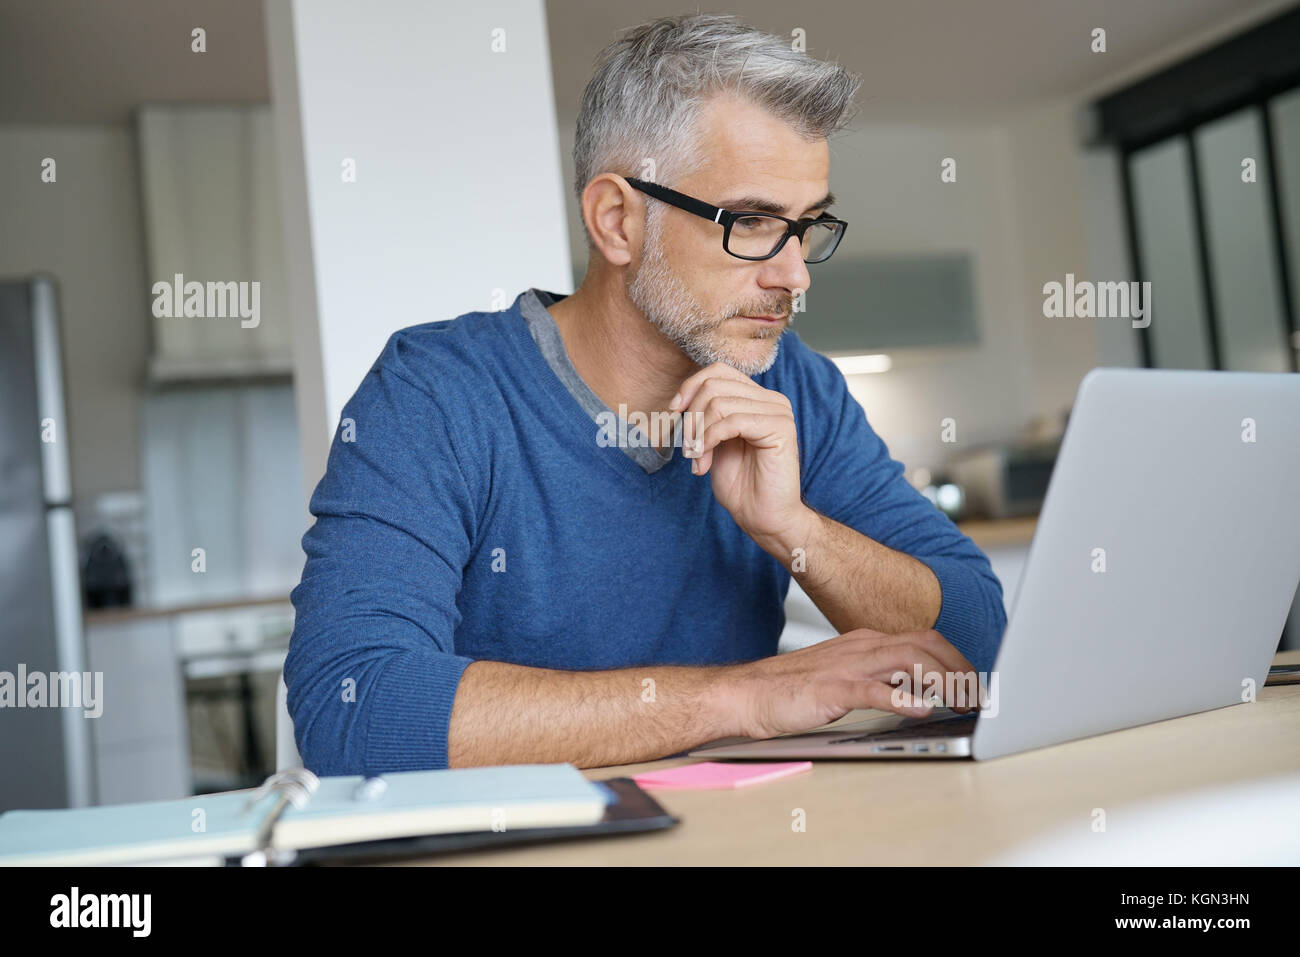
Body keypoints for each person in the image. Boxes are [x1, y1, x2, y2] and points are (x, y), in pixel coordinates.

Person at [286, 14, 1006, 773]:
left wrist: (795, 528)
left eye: (808, 227)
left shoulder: (797, 386)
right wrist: (738, 698)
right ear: (617, 220)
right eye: (753, 221)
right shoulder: (435, 395)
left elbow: (978, 647)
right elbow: (354, 702)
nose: (795, 275)